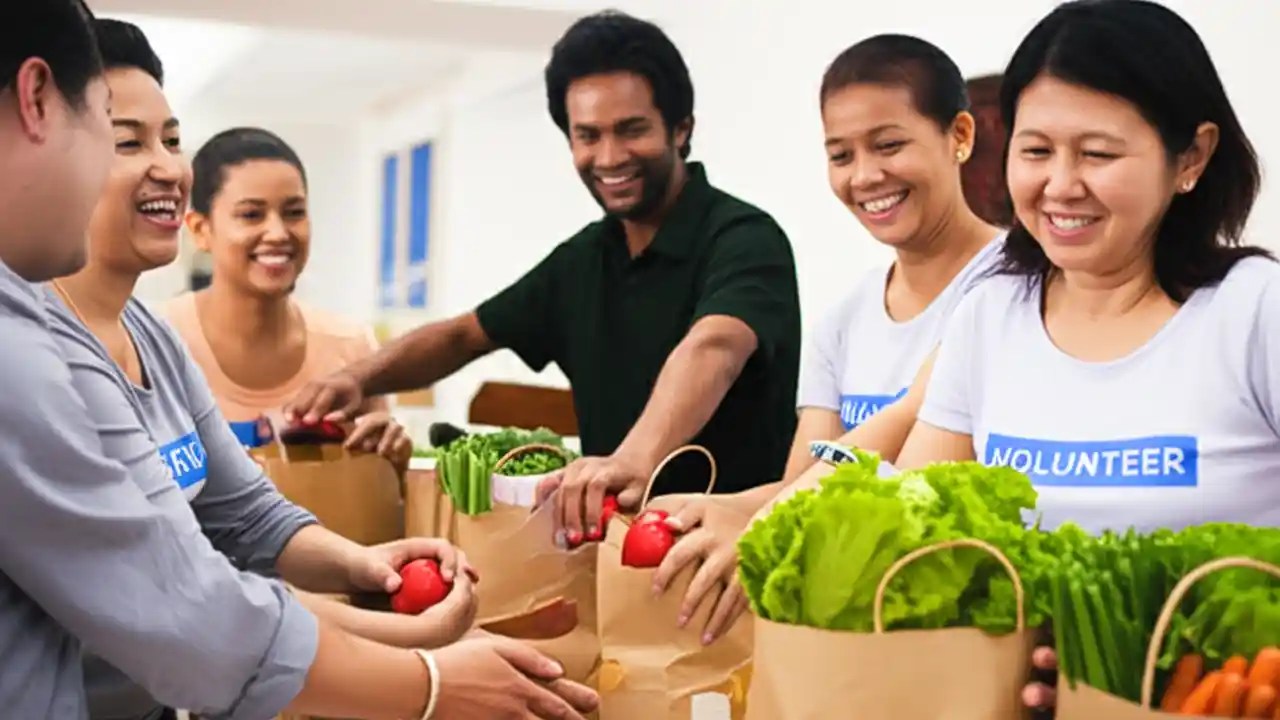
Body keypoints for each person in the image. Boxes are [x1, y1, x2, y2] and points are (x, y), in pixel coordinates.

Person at [0, 6, 596, 720]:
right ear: (38, 100)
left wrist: (363, 565)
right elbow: (183, 598)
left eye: (172, 139)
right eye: (115, 135)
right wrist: (424, 674)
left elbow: (241, 516)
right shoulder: (32, 350)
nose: (162, 166)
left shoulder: (145, 338)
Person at [882, 0, 1280, 712]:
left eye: (1097, 154)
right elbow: (915, 533)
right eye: (1035, 151)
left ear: (1191, 156)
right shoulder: (990, 317)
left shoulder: (1254, 311)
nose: (1060, 185)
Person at [287, 9, 803, 540]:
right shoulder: (583, 259)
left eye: (631, 130)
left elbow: (713, 348)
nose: (609, 156)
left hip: (732, 551)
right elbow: (464, 335)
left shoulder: (744, 238)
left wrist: (632, 459)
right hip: (614, 553)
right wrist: (356, 379)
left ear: (681, 129)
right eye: (588, 135)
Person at [646, 34, 1007, 645]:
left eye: (889, 145)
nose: (866, 176)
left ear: (961, 137)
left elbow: (900, 469)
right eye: (841, 155)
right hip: (849, 628)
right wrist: (720, 509)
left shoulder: (1009, 288)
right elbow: (802, 480)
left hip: (956, 632)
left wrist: (761, 522)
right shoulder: (844, 316)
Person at [161, 126, 412, 467]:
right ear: (200, 230)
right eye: (251, 215)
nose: (278, 233)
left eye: (294, 212)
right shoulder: (156, 342)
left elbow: (381, 492)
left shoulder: (351, 348)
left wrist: (391, 458)